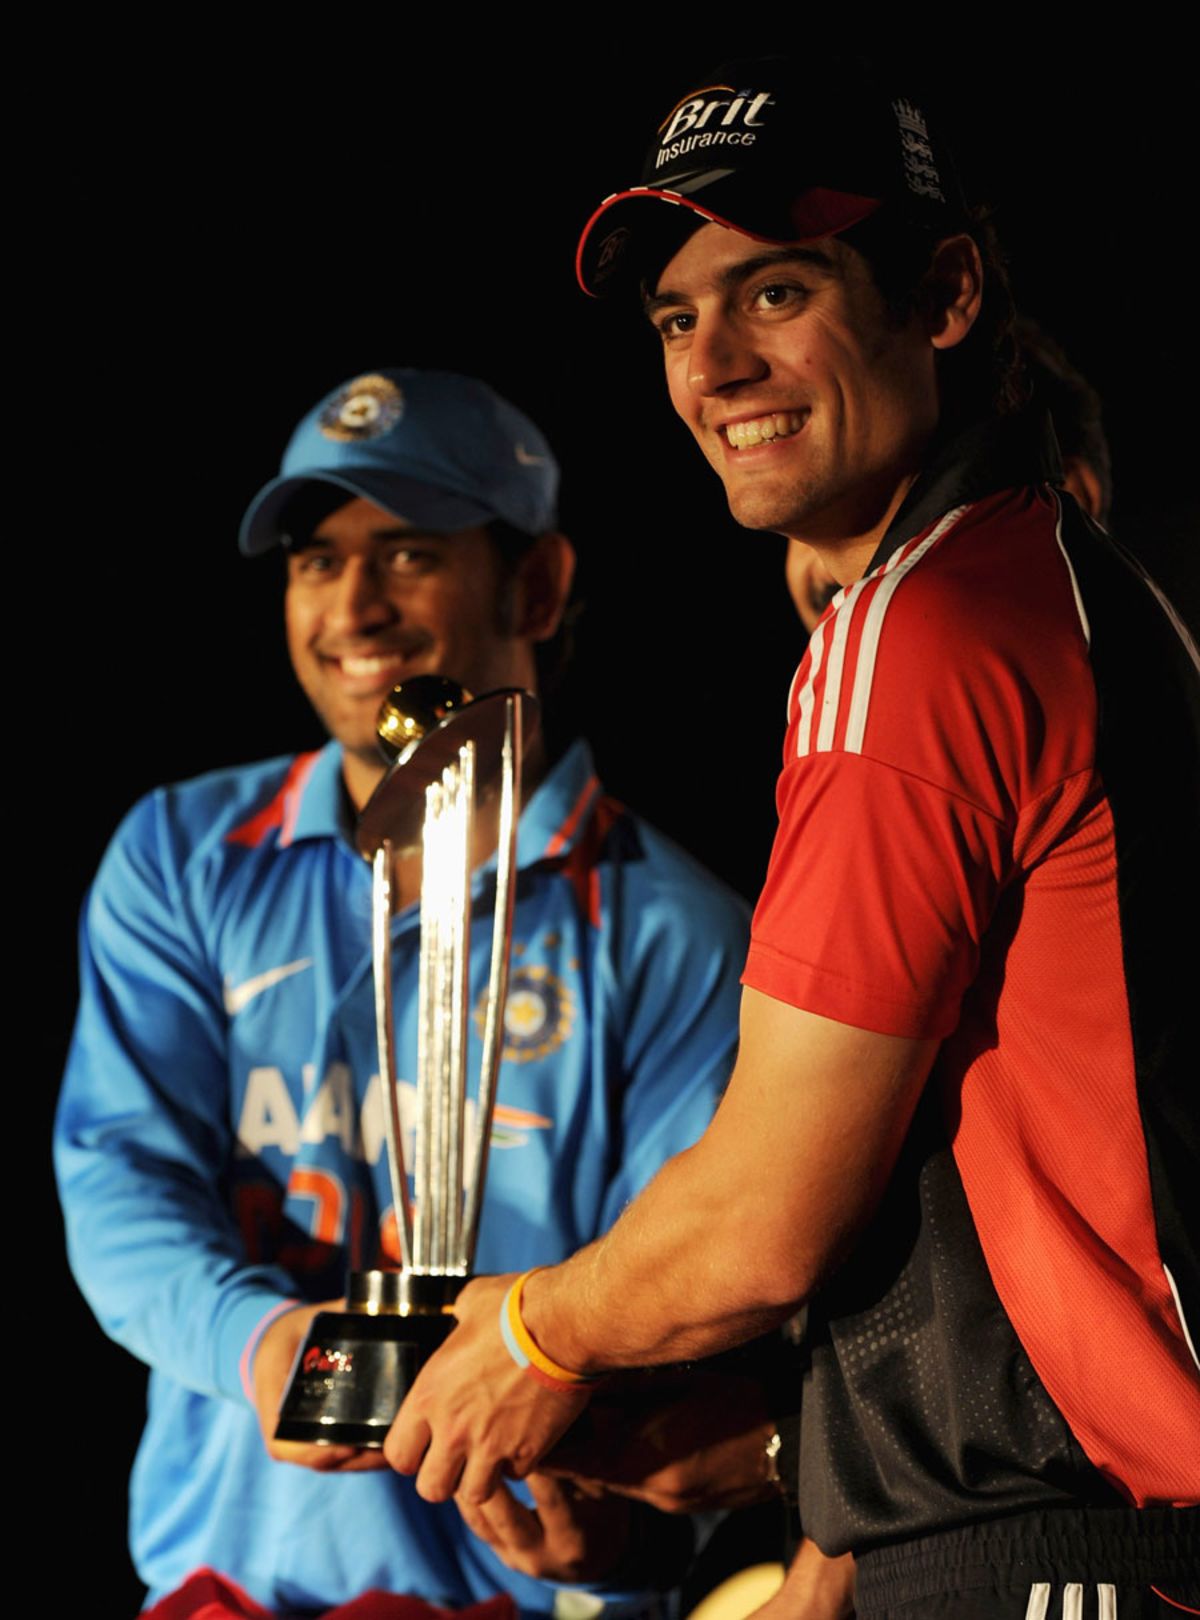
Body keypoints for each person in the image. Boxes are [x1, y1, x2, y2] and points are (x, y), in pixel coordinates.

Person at [383, 63, 1200, 1618]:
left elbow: (763, 1218)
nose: (715, 364)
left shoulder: (931, 627)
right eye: (678, 319)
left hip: (1072, 1553)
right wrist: (793, 1460)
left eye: (775, 289)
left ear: (943, 293)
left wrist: (530, 1336)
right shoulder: (1069, 584)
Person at [55, 367, 753, 1616]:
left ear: (536, 585)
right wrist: (261, 1349)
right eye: (316, 561)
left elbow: (696, 1295)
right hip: (227, 1585)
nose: (354, 607)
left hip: (517, 1596)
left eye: (409, 553)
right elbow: (115, 1176)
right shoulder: (181, 857)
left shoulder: (674, 934)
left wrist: (628, 1541)